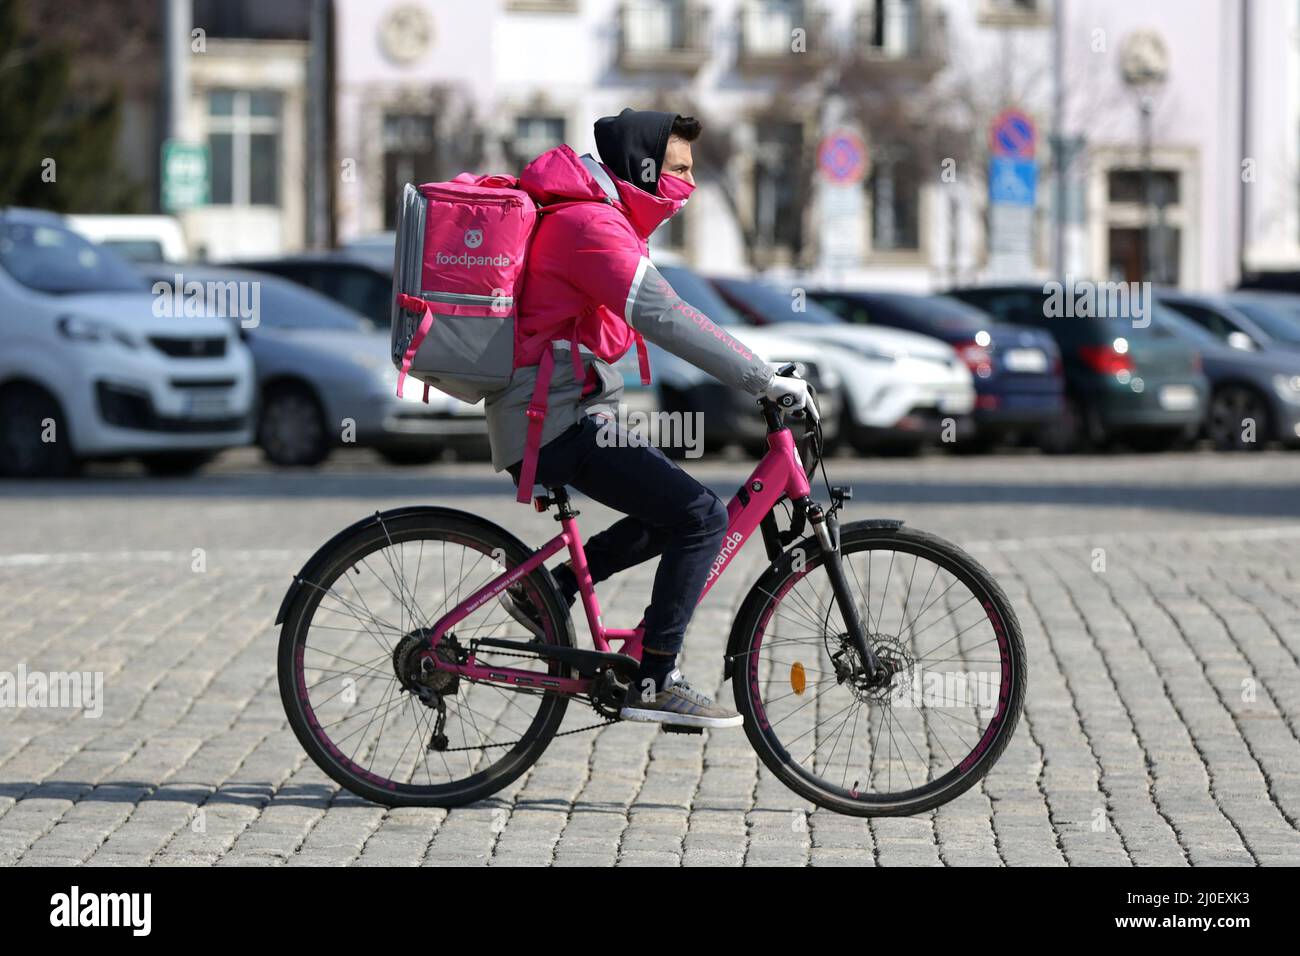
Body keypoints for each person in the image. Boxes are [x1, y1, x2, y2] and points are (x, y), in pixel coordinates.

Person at [486, 108, 813, 728]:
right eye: (679, 170)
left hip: (564, 414)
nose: (688, 186)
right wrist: (760, 378)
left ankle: (547, 592)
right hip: (553, 424)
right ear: (641, 167)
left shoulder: (596, 217)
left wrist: (758, 372)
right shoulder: (589, 225)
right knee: (700, 516)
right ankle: (657, 676)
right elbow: (664, 314)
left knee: (683, 511)